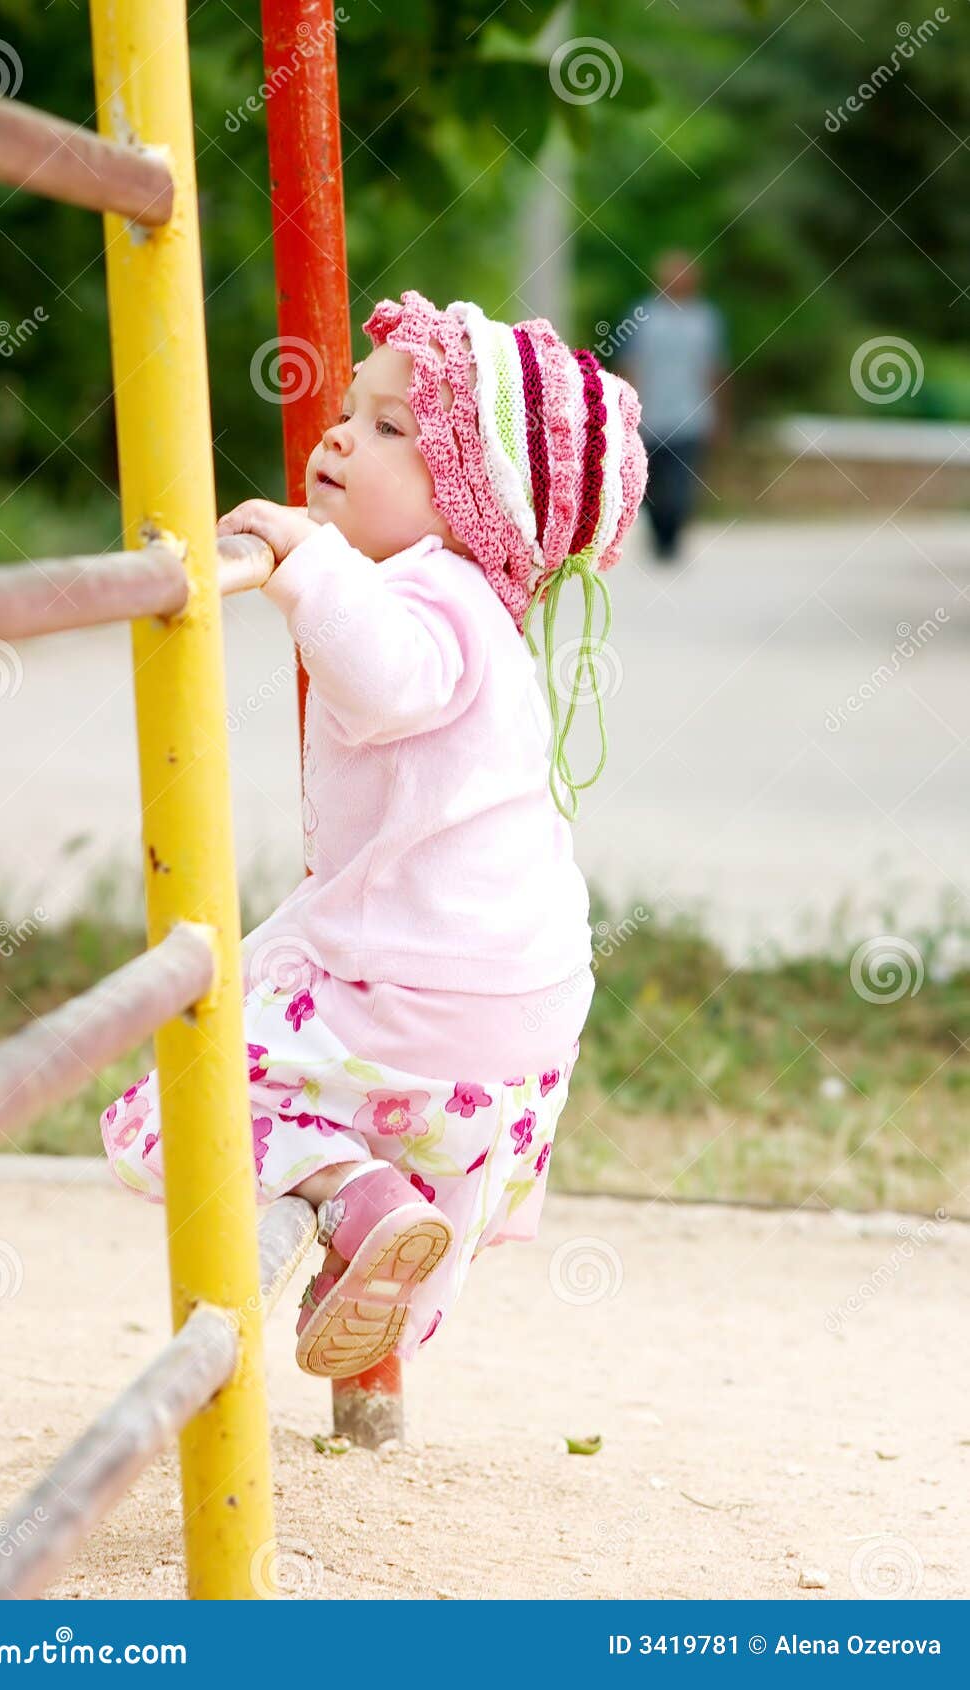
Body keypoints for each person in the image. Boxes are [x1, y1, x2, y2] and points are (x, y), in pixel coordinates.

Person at [99, 291, 647, 1379]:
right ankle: (382, 1263)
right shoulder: (482, 614)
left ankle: (348, 1196)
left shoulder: (431, 600)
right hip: (522, 1031)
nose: (339, 434)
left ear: (473, 504)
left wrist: (303, 557)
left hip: (420, 1005)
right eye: (350, 410)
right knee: (416, 1169)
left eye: (391, 427)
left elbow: (382, 673)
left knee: (174, 1100)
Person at [617, 250, 727, 560]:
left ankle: (673, 536)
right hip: (649, 417)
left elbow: (714, 370)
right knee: (649, 484)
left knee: (681, 485)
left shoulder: (706, 320)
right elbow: (630, 365)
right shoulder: (642, 316)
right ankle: (659, 533)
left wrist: (719, 414)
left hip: (691, 415)